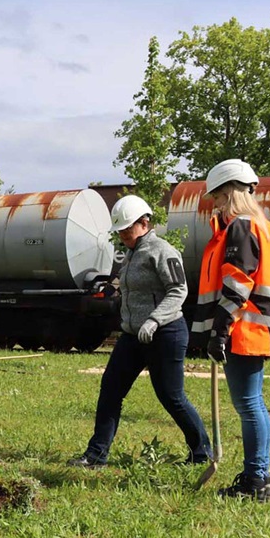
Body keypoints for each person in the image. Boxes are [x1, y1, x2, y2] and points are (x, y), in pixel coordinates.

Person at [67, 196, 212, 469]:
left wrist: (155, 320)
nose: (123, 236)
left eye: (127, 230)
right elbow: (127, 279)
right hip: (133, 335)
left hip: (166, 333)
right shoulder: (132, 252)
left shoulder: (163, 250)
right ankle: (96, 456)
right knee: (111, 390)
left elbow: (178, 290)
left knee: (171, 396)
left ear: (144, 223)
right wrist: (111, 288)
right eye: (119, 231)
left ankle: (202, 453)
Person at [193, 160, 270, 502]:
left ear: (229, 192)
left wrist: (220, 330)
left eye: (217, 197)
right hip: (257, 329)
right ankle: (256, 475)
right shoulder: (267, 228)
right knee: (253, 403)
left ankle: (256, 480)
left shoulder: (241, 228)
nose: (215, 205)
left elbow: (237, 284)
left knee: (248, 405)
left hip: (243, 330)